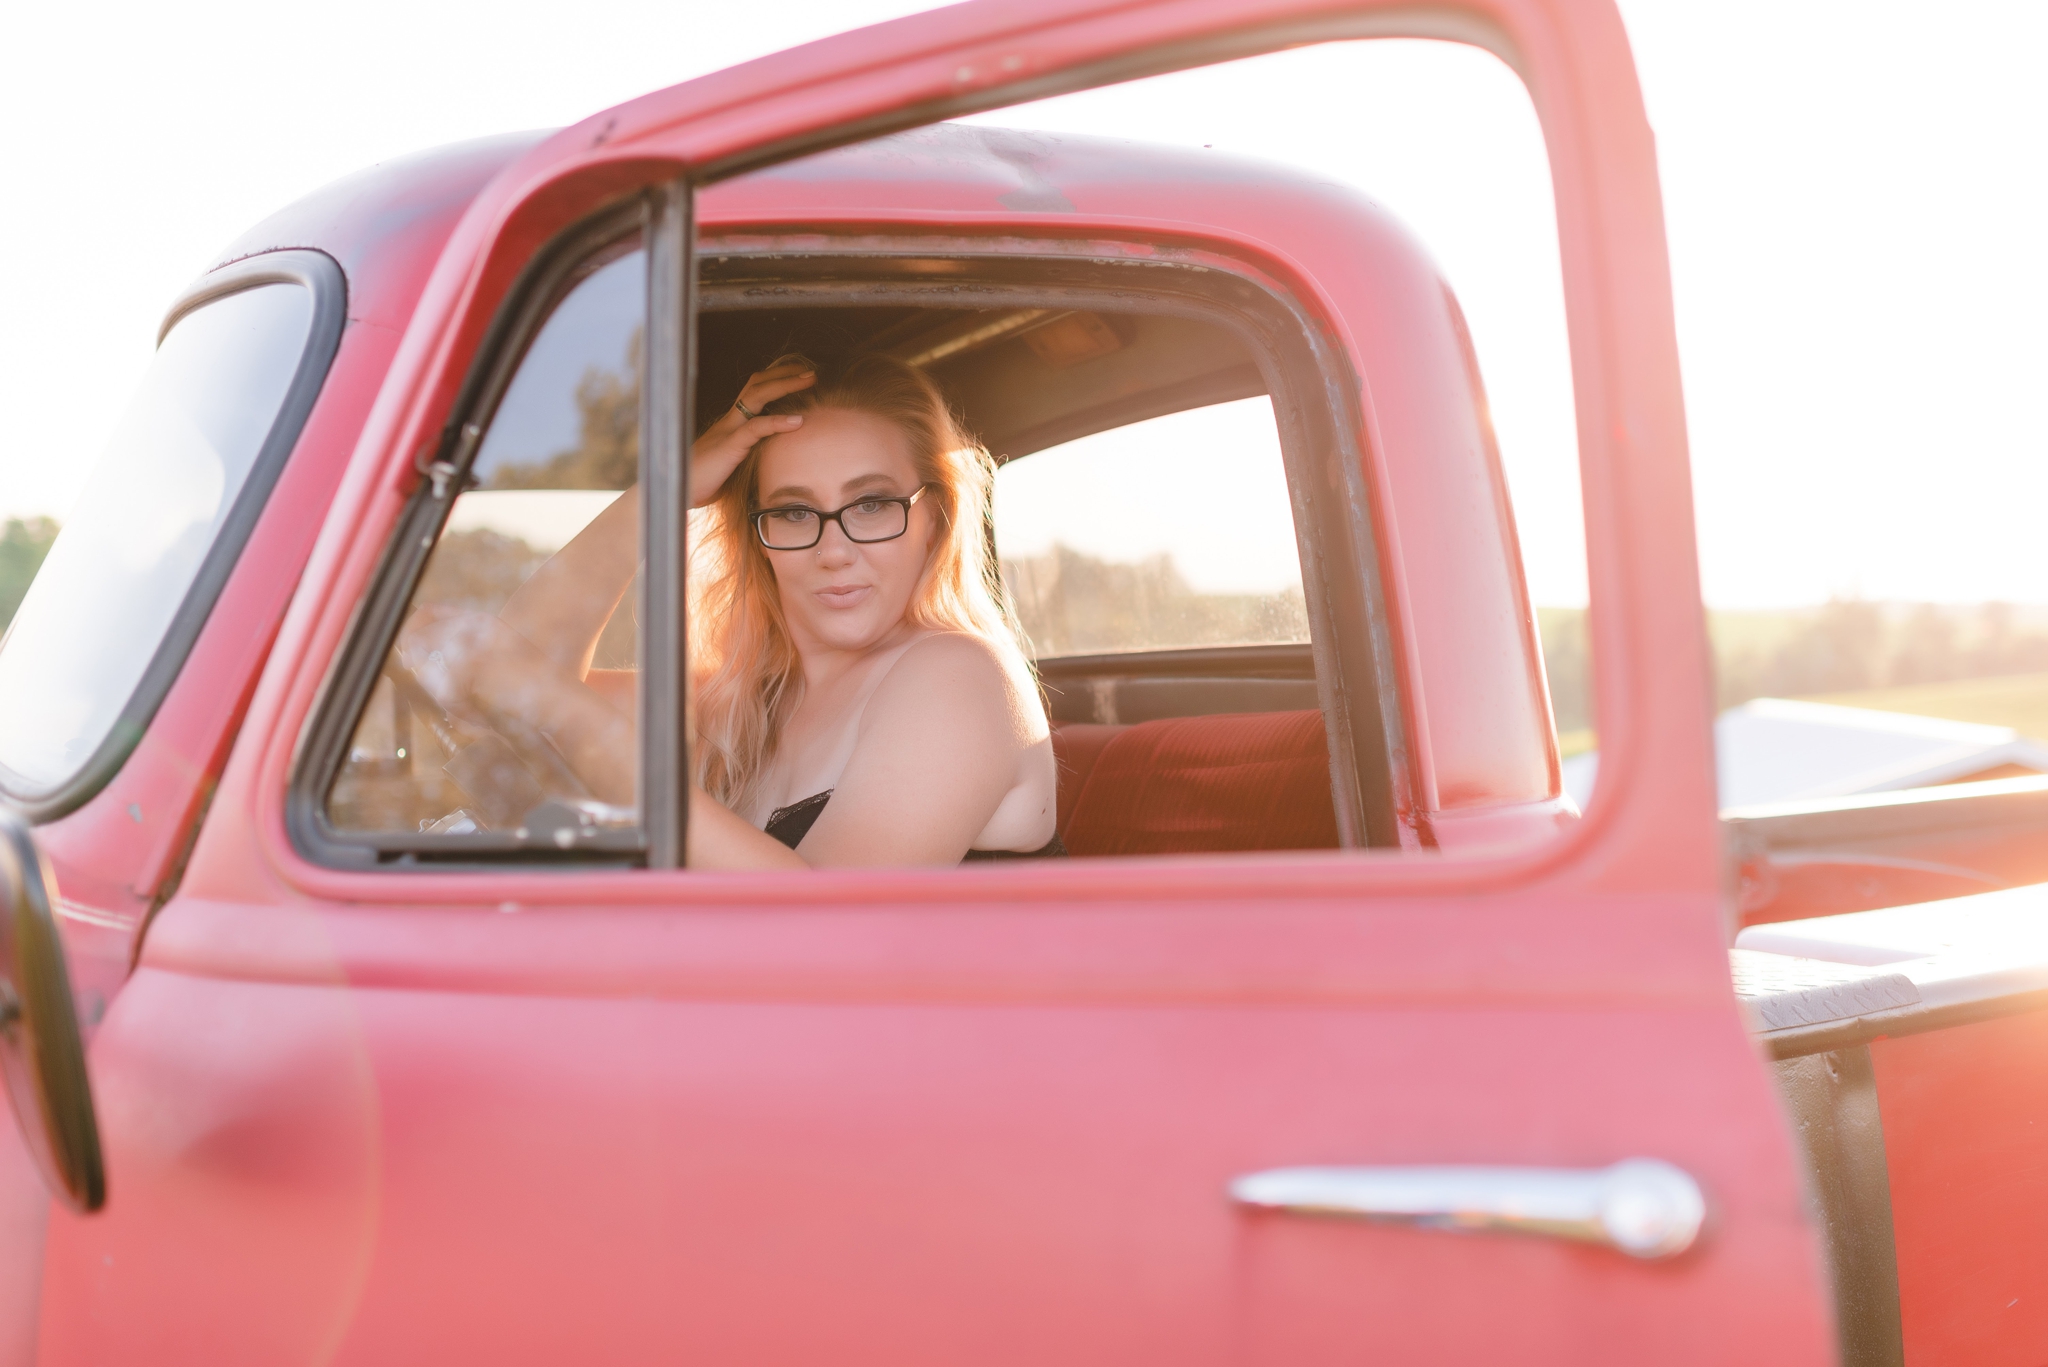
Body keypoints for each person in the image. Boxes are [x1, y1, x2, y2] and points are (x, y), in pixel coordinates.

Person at [399, 353, 1060, 867]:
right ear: (759, 537)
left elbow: (831, 929)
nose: (835, 549)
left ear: (934, 521)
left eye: (871, 505)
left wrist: (570, 716)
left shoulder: (956, 671)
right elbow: (516, 676)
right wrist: (664, 493)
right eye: (795, 511)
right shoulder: (749, 697)